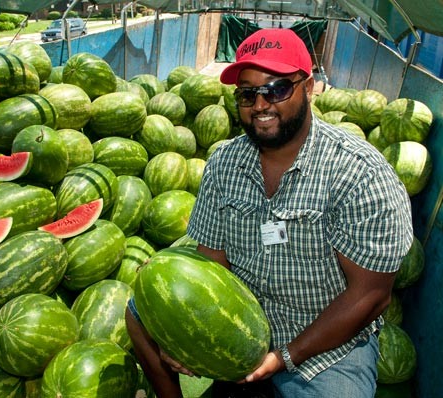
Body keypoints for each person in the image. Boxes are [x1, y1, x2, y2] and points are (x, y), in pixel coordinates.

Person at [126, 28, 414, 398]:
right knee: (138, 311)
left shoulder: (359, 172)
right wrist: (180, 334)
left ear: (308, 88)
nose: (260, 104)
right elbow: (211, 263)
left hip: (327, 347)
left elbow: (370, 296)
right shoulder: (224, 164)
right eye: (247, 93)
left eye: (276, 89)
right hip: (241, 325)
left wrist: (283, 357)